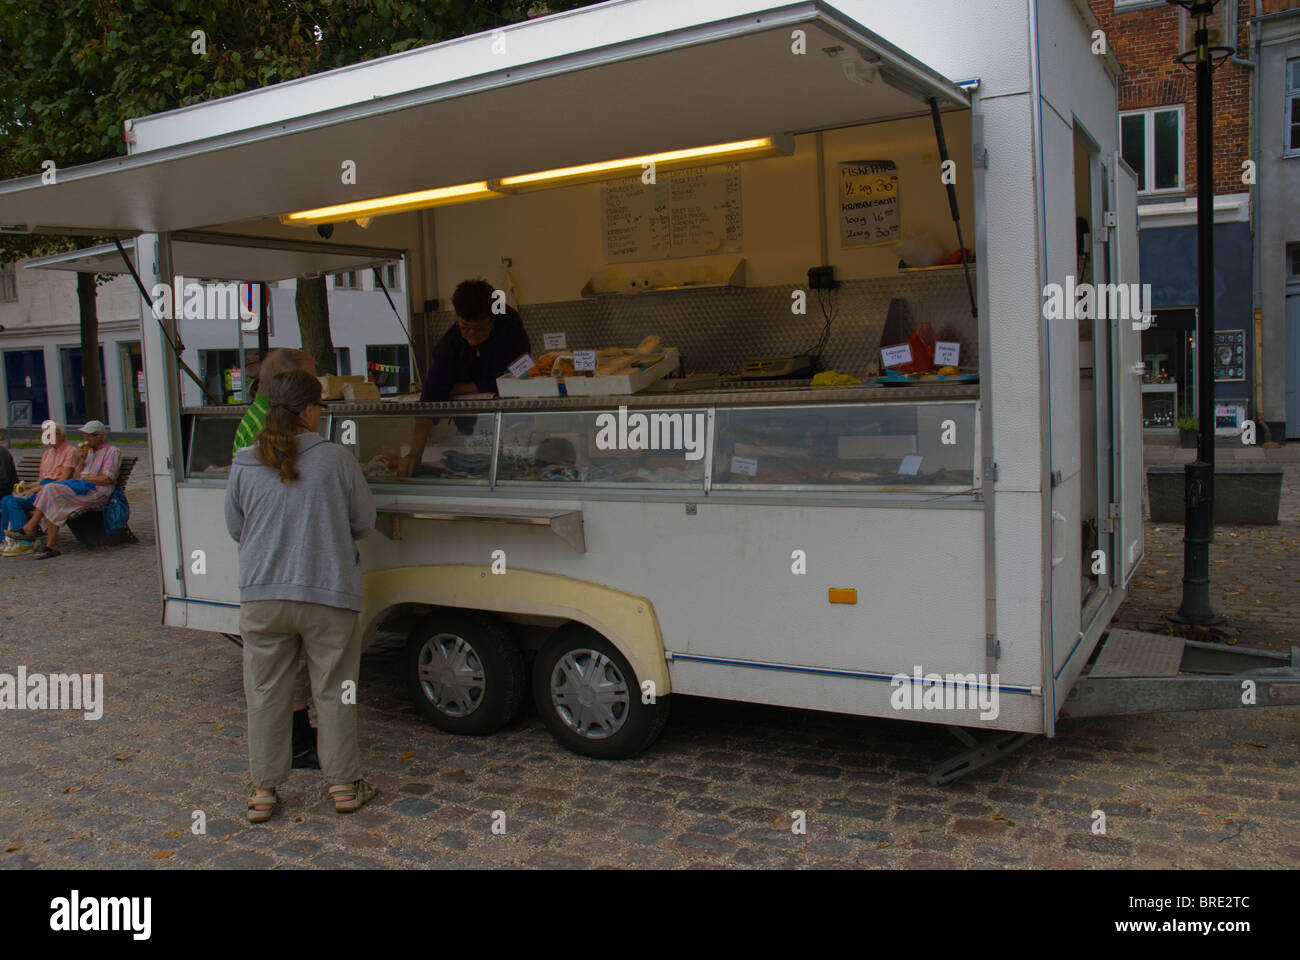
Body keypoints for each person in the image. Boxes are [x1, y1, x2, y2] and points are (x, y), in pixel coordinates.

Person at [224, 368, 376, 823]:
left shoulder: (243, 462)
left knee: (265, 693)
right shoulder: (337, 459)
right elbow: (365, 522)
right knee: (334, 690)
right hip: (328, 592)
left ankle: (263, 792)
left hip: (263, 595)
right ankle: (344, 786)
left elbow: (236, 528)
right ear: (311, 410)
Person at [231, 346, 321, 770]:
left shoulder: (257, 420)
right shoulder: (269, 430)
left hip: (262, 573)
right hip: (286, 569)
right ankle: (297, 744)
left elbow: (239, 519)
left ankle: (270, 774)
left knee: (273, 669)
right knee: (291, 665)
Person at [397, 279, 530, 477]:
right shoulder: (448, 347)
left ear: (492, 319)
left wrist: (457, 389)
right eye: (465, 327)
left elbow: (522, 372)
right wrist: (414, 454)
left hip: (515, 421)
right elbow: (429, 402)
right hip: (469, 431)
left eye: (479, 328)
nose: (472, 334)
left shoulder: (509, 322)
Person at [8, 421, 120, 560]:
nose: (86, 438)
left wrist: (85, 479)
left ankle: (31, 529)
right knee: (52, 496)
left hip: (98, 492)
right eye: (85, 435)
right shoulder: (87, 453)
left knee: (51, 490)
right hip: (81, 489)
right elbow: (76, 476)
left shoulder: (112, 451)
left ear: (101, 436)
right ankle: (49, 545)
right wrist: (81, 461)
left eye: (91, 435)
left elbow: (108, 479)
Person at [1, 424, 78, 557]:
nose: (48, 438)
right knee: (6, 499)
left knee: (14, 502)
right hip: (42, 489)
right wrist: (26, 487)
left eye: (51, 435)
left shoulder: (70, 451)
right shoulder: (47, 454)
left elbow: (62, 481)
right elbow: (41, 480)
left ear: (61, 435)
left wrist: (35, 489)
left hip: (55, 491)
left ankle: (24, 542)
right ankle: (5, 539)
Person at [233, 348, 317, 453]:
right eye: (310, 381)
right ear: (285, 383)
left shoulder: (260, 413)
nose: (317, 388)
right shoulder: (270, 425)